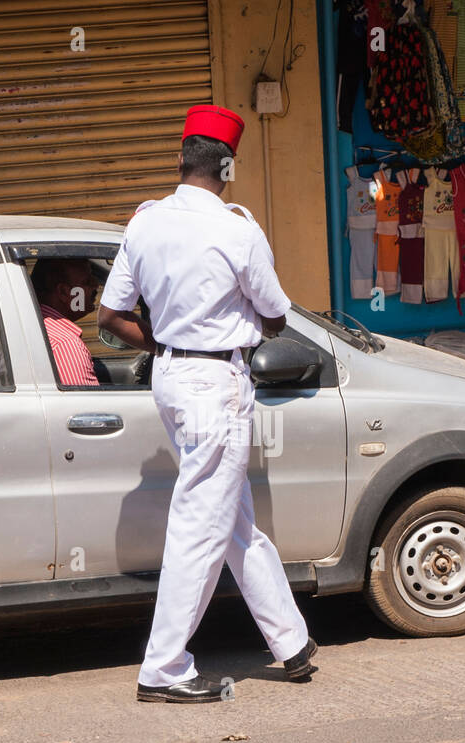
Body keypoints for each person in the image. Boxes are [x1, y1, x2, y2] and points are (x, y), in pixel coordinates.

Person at [97, 105, 318, 703]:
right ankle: (163, 669)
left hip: (169, 378)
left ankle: (291, 642)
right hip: (216, 384)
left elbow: (110, 318)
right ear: (227, 168)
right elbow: (275, 315)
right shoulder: (238, 230)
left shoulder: (144, 224)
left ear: (180, 160)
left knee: (231, 516)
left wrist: (167, 342)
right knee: (202, 526)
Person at [32, 258, 101, 387]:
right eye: (87, 282)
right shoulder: (65, 344)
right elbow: (87, 405)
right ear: (64, 292)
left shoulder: (32, 326)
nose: (96, 285)